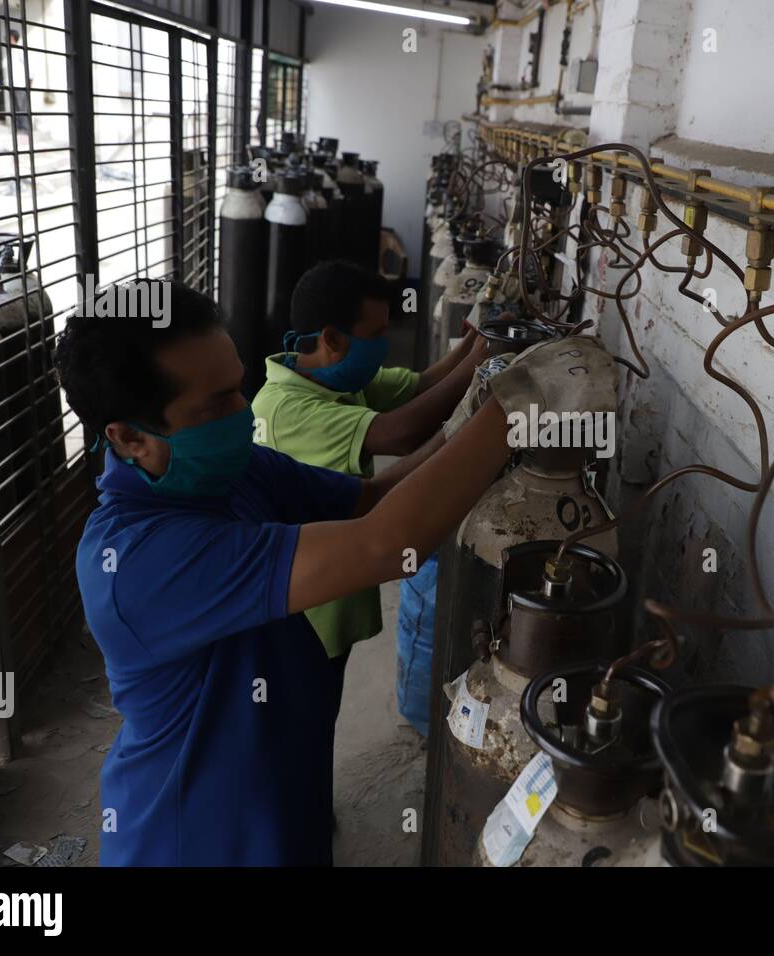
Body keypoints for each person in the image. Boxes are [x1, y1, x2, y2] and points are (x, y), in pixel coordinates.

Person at [56, 280, 607, 865]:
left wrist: (465, 420)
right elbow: (387, 545)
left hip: (282, 788)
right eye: (215, 404)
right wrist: (513, 409)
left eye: (237, 388)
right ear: (130, 437)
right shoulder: (138, 562)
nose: (243, 411)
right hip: (196, 835)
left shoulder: (230, 472)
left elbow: (369, 498)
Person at [251, 260, 488, 736]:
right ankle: (302, 808)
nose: (383, 344)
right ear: (333, 339)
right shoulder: (286, 408)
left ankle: (311, 805)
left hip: (332, 593)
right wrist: (485, 423)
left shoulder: (334, 376)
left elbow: (423, 387)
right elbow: (400, 433)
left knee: (321, 712)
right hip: (302, 606)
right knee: (299, 720)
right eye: (375, 333)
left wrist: (480, 343)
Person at [8, 28, 31, 136]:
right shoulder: (10, 50)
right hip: (13, 83)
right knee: (16, 107)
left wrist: (30, 80)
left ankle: (25, 130)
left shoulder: (19, 50)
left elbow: (28, 65)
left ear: (12, 38)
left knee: (22, 107)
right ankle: (18, 129)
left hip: (20, 83)